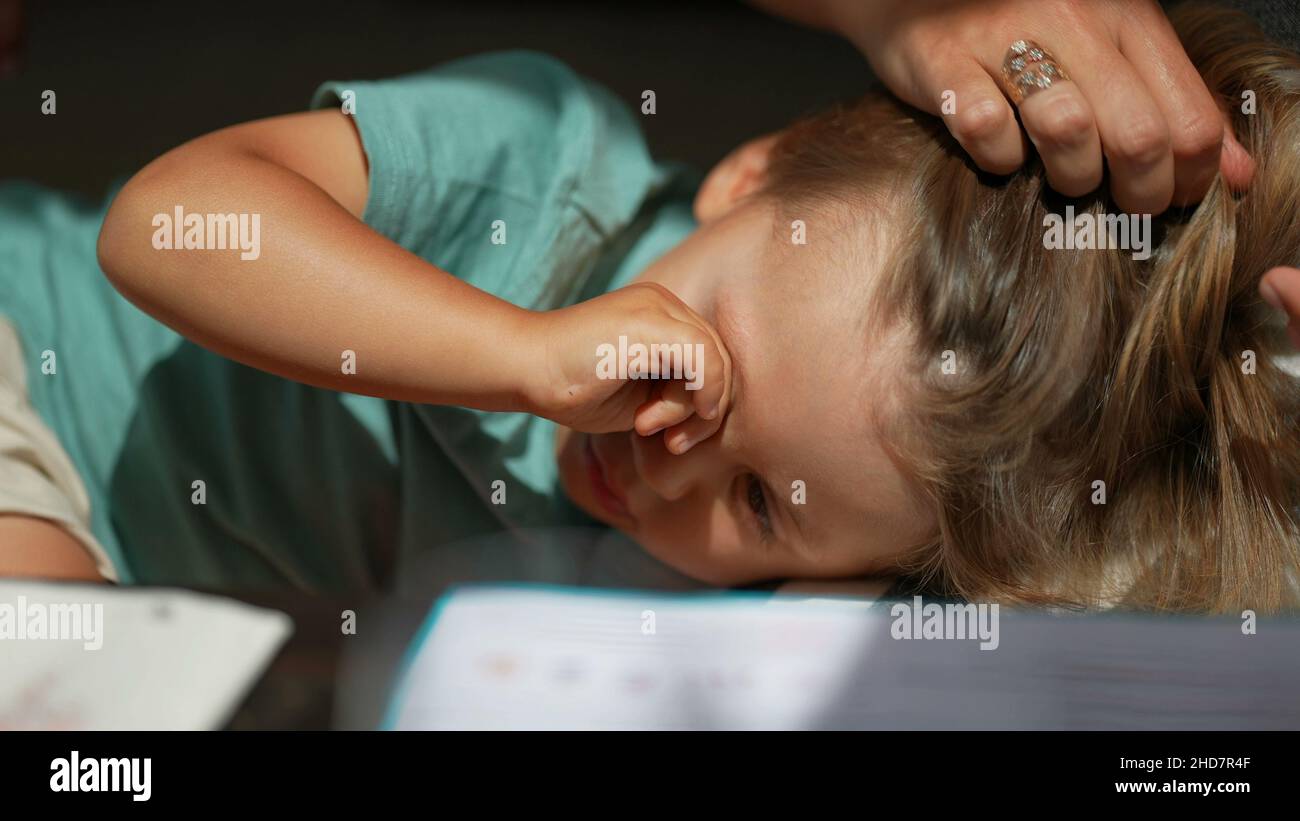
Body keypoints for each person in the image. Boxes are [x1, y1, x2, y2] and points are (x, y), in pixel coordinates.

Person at [5, 2, 1298, 612]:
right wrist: (521, 354)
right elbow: (162, 225)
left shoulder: (839, 551)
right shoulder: (540, 168)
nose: (669, 450)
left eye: (760, 505)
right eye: (712, 341)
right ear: (755, 171)